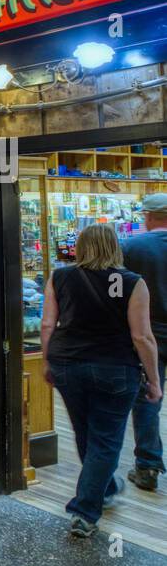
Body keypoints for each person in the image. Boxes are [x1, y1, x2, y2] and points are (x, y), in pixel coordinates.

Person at [41, 223, 161, 538]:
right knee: (106, 439)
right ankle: (85, 511)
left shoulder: (60, 277)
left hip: (68, 364)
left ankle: (104, 487)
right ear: (115, 247)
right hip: (115, 368)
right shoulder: (132, 282)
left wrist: (46, 360)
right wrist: (154, 379)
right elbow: (142, 336)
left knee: (85, 433)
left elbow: (47, 325)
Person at [121, 192, 167, 491]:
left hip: (148, 332)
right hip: (149, 330)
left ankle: (148, 466)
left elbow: (117, 291)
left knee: (149, 394)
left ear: (147, 216)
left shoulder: (132, 246)